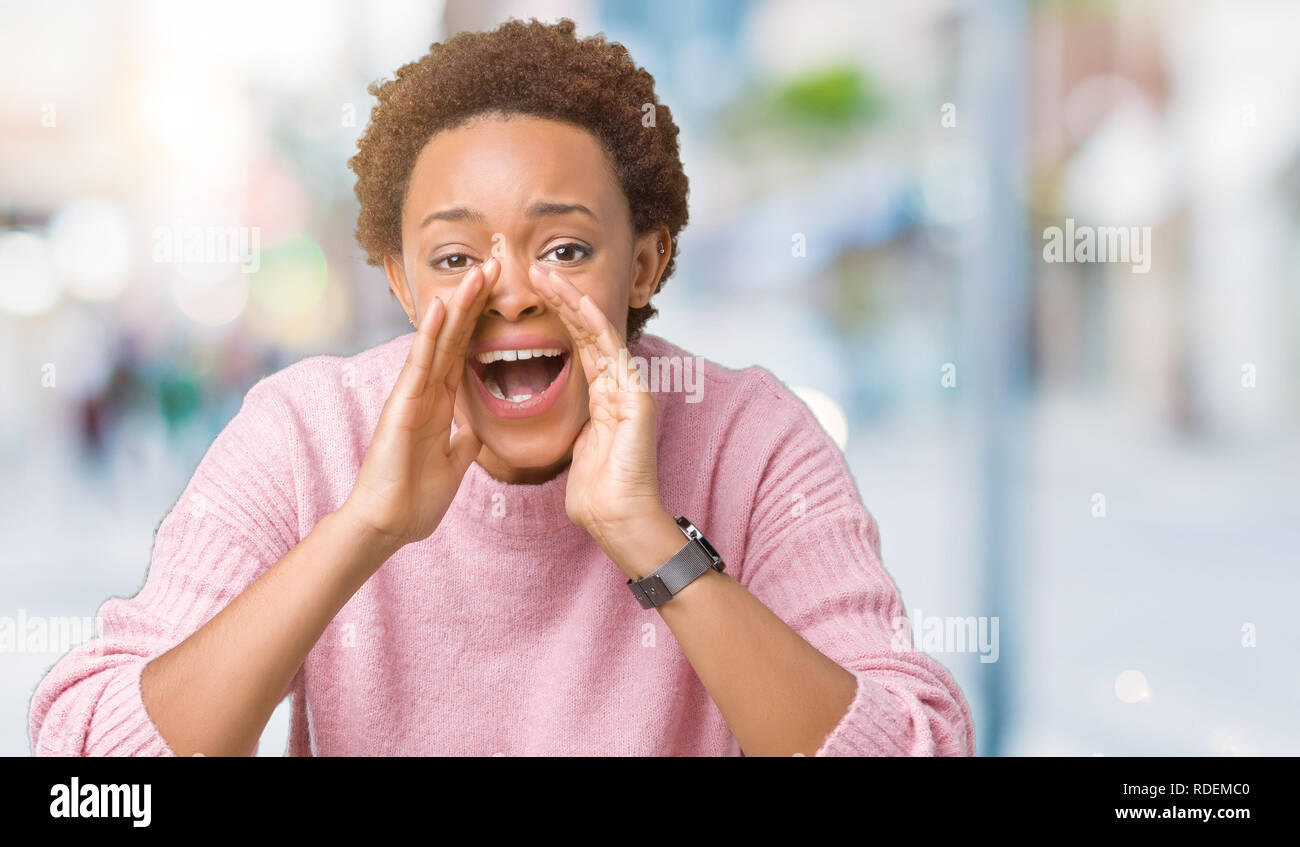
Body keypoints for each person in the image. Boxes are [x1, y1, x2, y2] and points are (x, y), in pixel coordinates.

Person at [29, 18, 973, 756]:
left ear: (644, 264)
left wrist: (652, 540)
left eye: (564, 247)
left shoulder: (750, 439)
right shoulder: (305, 431)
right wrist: (363, 531)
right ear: (400, 282)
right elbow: (92, 770)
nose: (513, 288)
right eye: (454, 256)